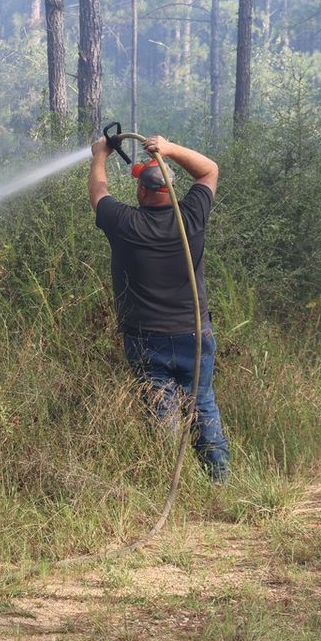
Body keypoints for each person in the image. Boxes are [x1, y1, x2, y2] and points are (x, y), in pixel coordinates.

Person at [88, 133, 230, 482]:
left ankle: (169, 479)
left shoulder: (124, 223)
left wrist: (99, 156)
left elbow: (98, 192)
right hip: (194, 333)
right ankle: (219, 478)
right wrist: (169, 149)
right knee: (202, 403)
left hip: (146, 338)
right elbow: (209, 170)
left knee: (160, 410)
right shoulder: (192, 216)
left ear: (141, 191)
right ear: (171, 188)